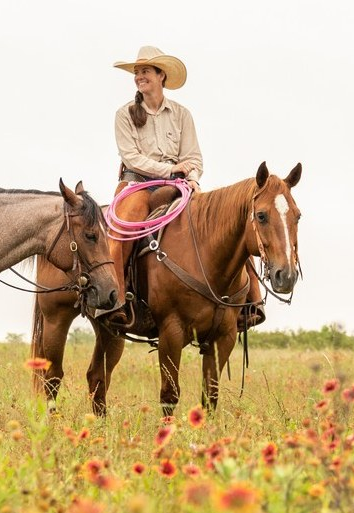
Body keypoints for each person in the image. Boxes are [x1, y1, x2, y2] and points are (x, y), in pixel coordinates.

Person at [108, 46, 265, 330]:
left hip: (179, 183)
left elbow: (193, 156)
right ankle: (117, 299)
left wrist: (191, 176)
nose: (139, 77)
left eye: (145, 71)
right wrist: (169, 169)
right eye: (137, 72)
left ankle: (250, 301)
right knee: (124, 227)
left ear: (161, 75)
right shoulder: (124, 114)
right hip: (137, 184)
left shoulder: (181, 114)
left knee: (225, 221)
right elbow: (131, 156)